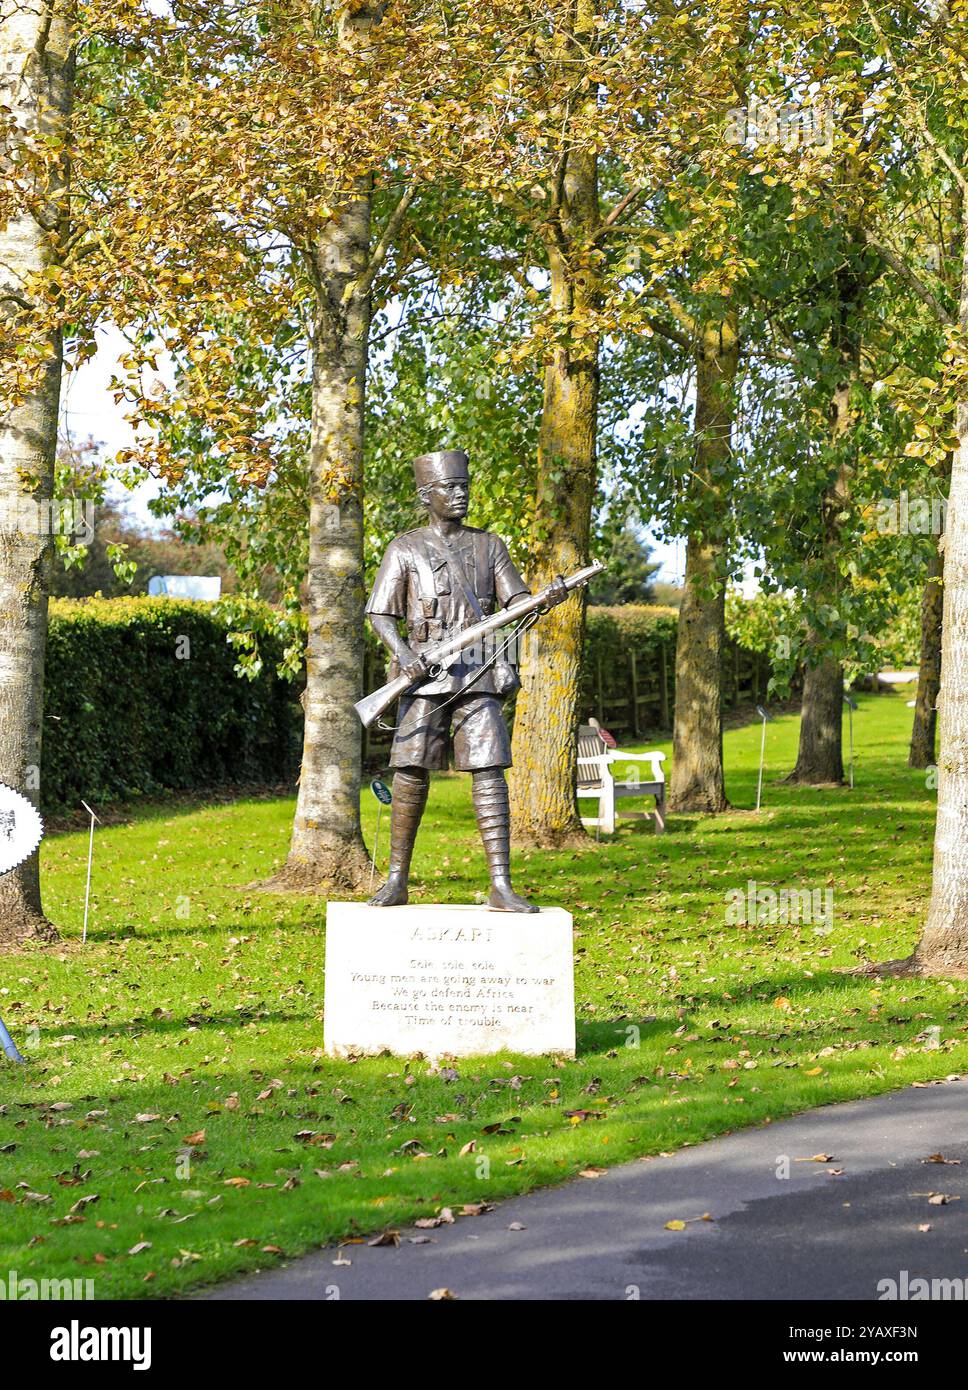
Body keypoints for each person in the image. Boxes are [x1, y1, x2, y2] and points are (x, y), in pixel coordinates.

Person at [365, 447, 567, 912]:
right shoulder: (405, 548)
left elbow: (517, 605)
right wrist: (405, 657)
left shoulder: (489, 545)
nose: (460, 495)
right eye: (449, 488)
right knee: (411, 771)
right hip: (424, 677)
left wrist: (546, 598)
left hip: (477, 670)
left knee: (490, 769)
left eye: (464, 487)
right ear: (425, 495)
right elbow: (380, 614)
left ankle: (501, 884)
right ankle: (397, 880)